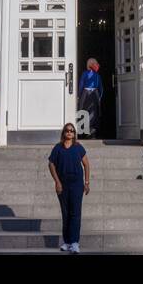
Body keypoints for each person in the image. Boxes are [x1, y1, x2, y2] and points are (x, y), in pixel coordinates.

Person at [48, 123, 90, 253]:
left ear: (74, 134)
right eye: (67, 130)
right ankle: (66, 242)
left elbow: (87, 165)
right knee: (65, 213)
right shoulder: (58, 148)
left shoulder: (78, 147)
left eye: (72, 131)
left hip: (77, 185)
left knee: (75, 213)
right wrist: (57, 182)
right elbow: (51, 164)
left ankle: (74, 242)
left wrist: (87, 182)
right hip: (62, 185)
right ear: (64, 133)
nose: (69, 133)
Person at [77, 57, 103, 137]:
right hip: (93, 94)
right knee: (92, 112)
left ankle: (86, 131)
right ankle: (90, 131)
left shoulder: (86, 74)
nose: (97, 65)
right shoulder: (96, 75)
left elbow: (81, 85)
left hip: (86, 93)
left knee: (85, 111)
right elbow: (101, 88)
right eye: (96, 64)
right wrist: (99, 97)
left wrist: (79, 95)